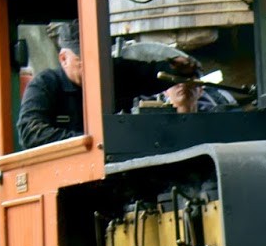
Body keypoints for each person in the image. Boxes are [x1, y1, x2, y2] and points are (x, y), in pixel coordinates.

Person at [14, 21, 199, 150]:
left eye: (99, 59)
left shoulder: (112, 71)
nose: (95, 67)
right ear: (64, 58)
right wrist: (88, 141)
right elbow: (30, 132)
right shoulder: (44, 85)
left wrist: (177, 68)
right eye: (84, 60)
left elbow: (151, 74)